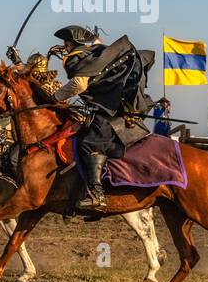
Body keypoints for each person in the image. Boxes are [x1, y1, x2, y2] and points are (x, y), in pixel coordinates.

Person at [48, 24, 152, 213]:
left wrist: (55, 98)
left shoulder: (79, 58)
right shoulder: (96, 53)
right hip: (113, 108)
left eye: (67, 42)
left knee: (90, 143)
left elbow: (79, 84)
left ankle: (96, 195)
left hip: (107, 113)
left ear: (74, 43)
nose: (65, 46)